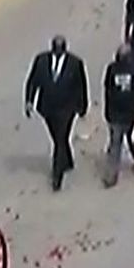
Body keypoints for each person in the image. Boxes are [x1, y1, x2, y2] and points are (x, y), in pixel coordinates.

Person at [24, 35, 89, 191]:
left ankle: (57, 175)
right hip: (47, 107)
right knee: (58, 137)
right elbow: (32, 81)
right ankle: (67, 161)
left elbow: (81, 85)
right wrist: (29, 101)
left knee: (60, 139)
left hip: (67, 108)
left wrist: (83, 107)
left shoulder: (75, 63)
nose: (57, 53)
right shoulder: (41, 61)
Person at [101, 43, 134, 187]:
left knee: (127, 141)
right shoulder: (119, 69)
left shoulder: (124, 69)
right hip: (123, 113)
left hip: (126, 113)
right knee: (122, 142)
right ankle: (113, 174)